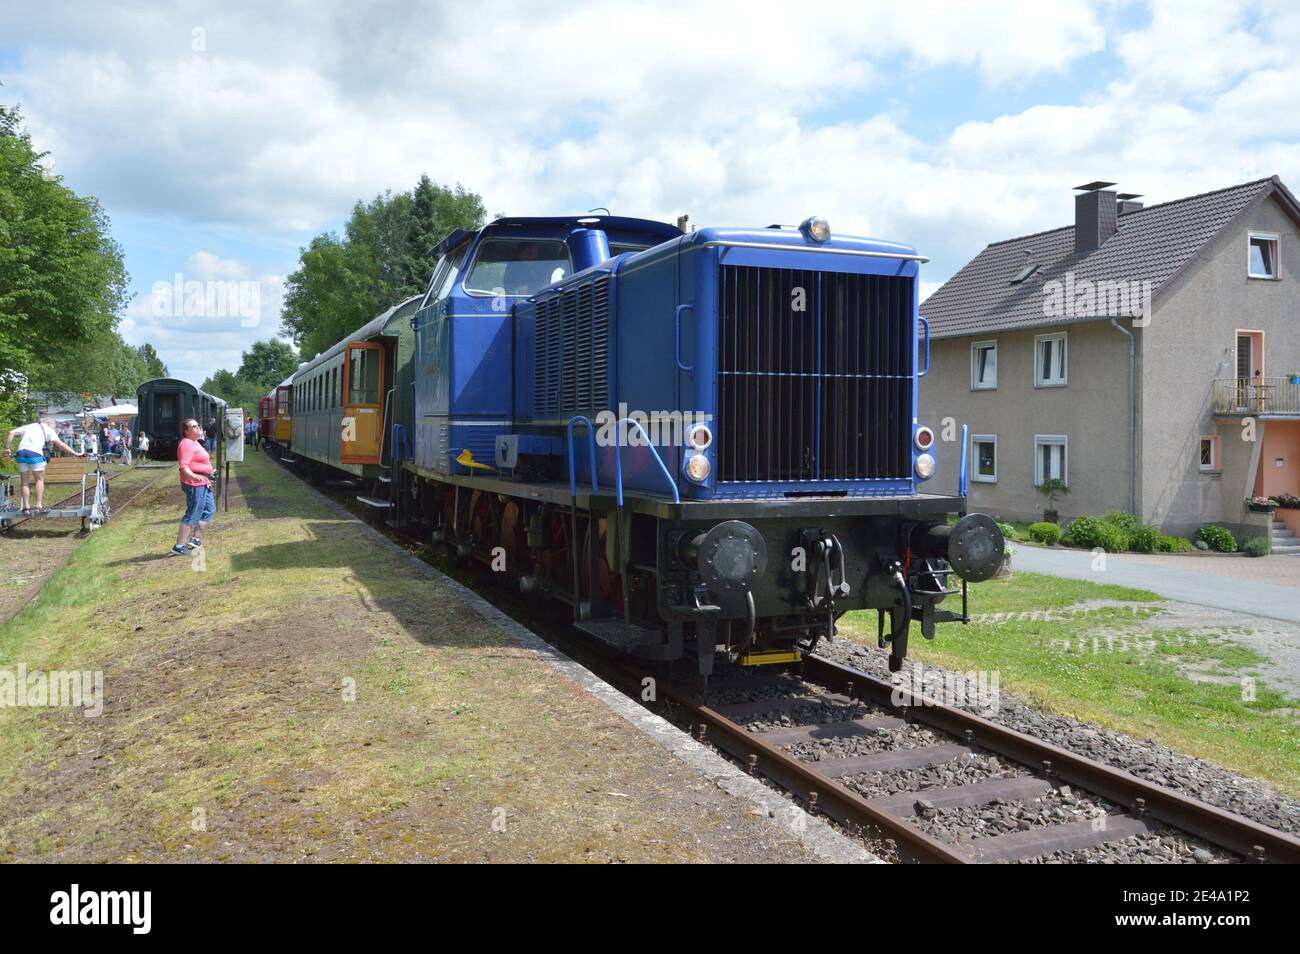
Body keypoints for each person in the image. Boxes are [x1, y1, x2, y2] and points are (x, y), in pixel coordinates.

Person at [3, 415, 82, 514]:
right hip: (35, 454)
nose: (54, 428)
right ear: (49, 423)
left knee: (24, 482)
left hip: (21, 453)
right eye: (53, 426)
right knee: (39, 480)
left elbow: (11, 432)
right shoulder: (48, 429)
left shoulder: (29, 426)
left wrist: (7, 448)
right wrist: (76, 453)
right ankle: (38, 506)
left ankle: (26, 508)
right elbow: (61, 444)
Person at [172, 419, 215, 556]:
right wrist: (193, 477)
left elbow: (200, 462)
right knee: (193, 513)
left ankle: (195, 539)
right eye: (193, 426)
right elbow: (183, 466)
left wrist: (209, 474)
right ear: (186, 431)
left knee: (209, 510)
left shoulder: (195, 442)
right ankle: (179, 545)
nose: (197, 428)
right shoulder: (186, 444)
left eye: (198, 426)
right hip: (195, 484)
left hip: (203, 481)